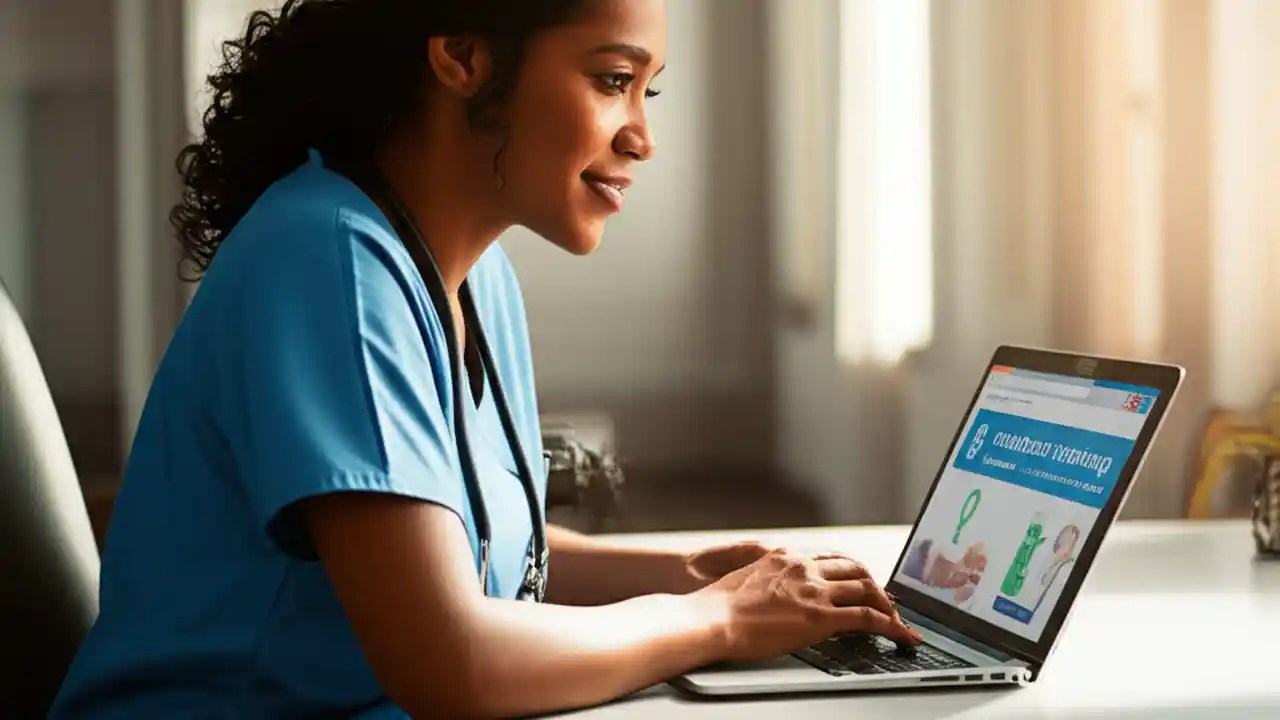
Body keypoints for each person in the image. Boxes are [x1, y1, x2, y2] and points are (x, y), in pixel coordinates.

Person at [50, 1, 918, 717]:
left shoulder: (474, 273)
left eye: (648, 89)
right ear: (462, 55)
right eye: (614, 81)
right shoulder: (328, 260)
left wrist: (690, 574)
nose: (642, 137)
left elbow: (467, 548)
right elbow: (451, 660)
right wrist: (717, 619)